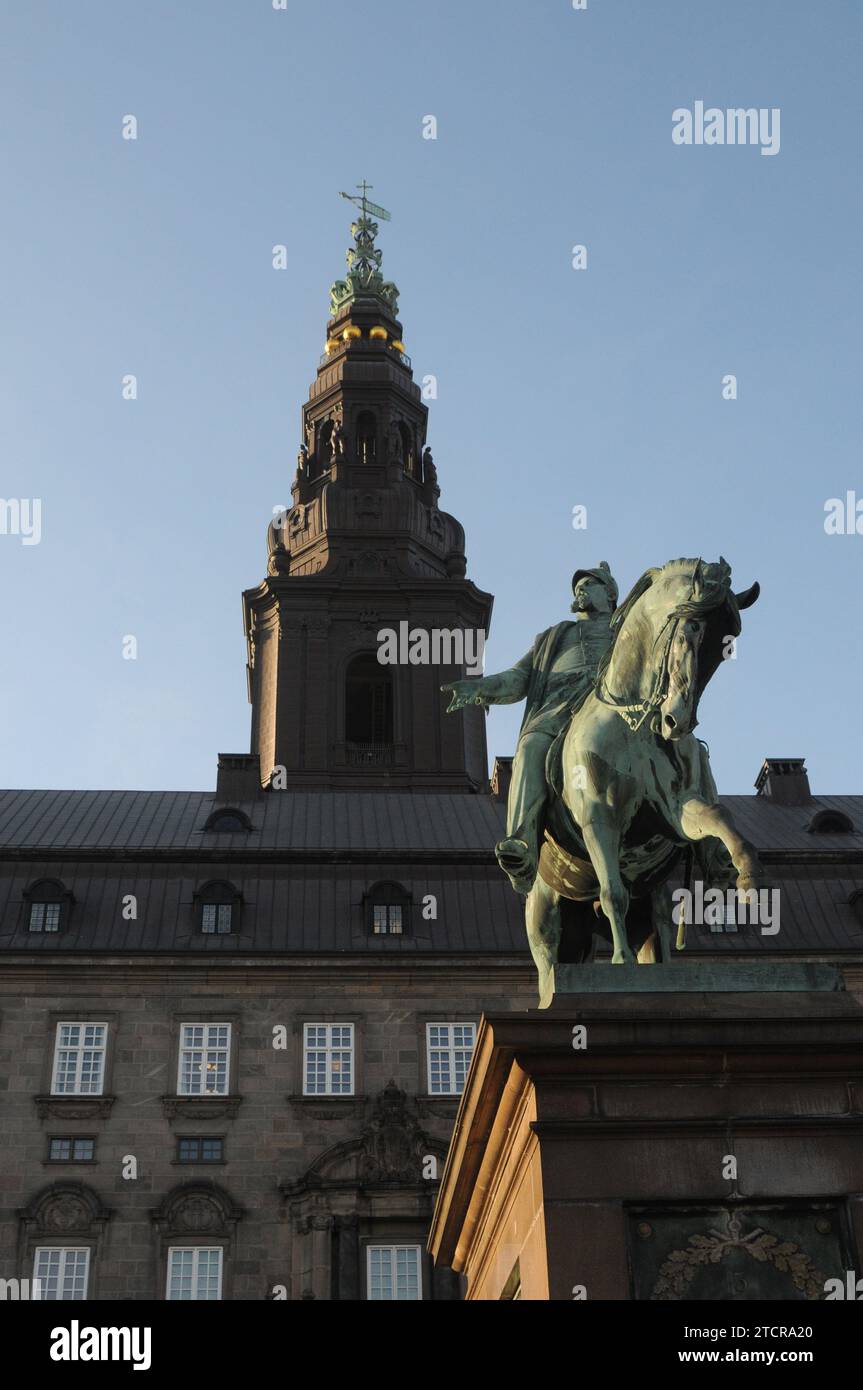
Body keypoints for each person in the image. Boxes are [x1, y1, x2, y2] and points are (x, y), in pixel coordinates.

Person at [442, 563, 619, 893]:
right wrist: (476, 687)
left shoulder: (628, 629)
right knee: (531, 746)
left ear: (610, 592)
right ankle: (522, 843)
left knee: (686, 748)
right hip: (561, 708)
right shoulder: (555, 636)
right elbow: (518, 678)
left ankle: (710, 849)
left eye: (589, 585)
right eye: (577, 587)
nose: (580, 591)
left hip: (619, 708)